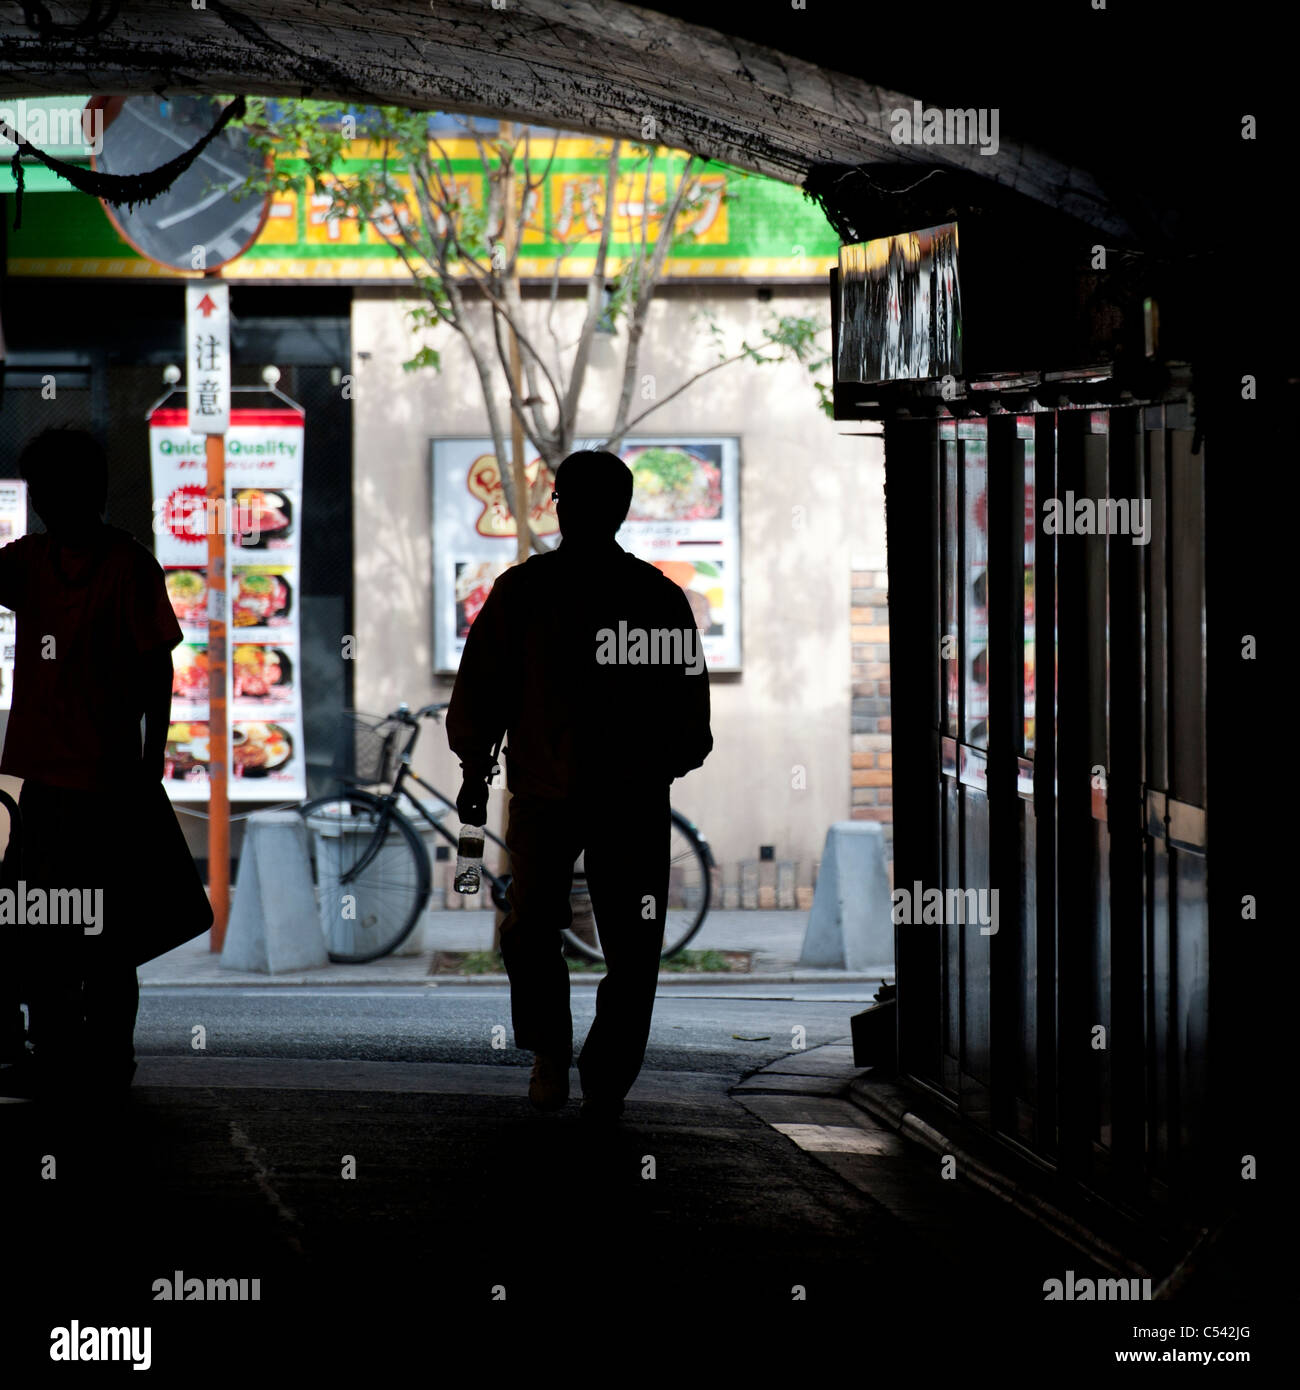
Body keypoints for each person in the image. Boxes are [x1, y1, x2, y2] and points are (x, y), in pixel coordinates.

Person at [447, 450, 712, 1122]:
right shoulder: (657, 598)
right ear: (623, 510)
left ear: (558, 503)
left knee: (530, 926)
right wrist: (655, 764)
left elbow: (481, 694)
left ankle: (550, 1054)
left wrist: (476, 773)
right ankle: (605, 1077)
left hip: (542, 792)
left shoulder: (523, 593)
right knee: (634, 941)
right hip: (632, 799)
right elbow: (692, 722)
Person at [0, 426, 185, 1101]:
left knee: (85, 936)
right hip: (46, 782)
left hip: (96, 782)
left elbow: (157, 669)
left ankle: (96, 1058)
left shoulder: (124, 567)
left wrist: (152, 758)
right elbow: (159, 663)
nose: (48, 501)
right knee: (58, 932)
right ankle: (72, 1056)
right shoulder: (33, 561)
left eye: (53, 487)